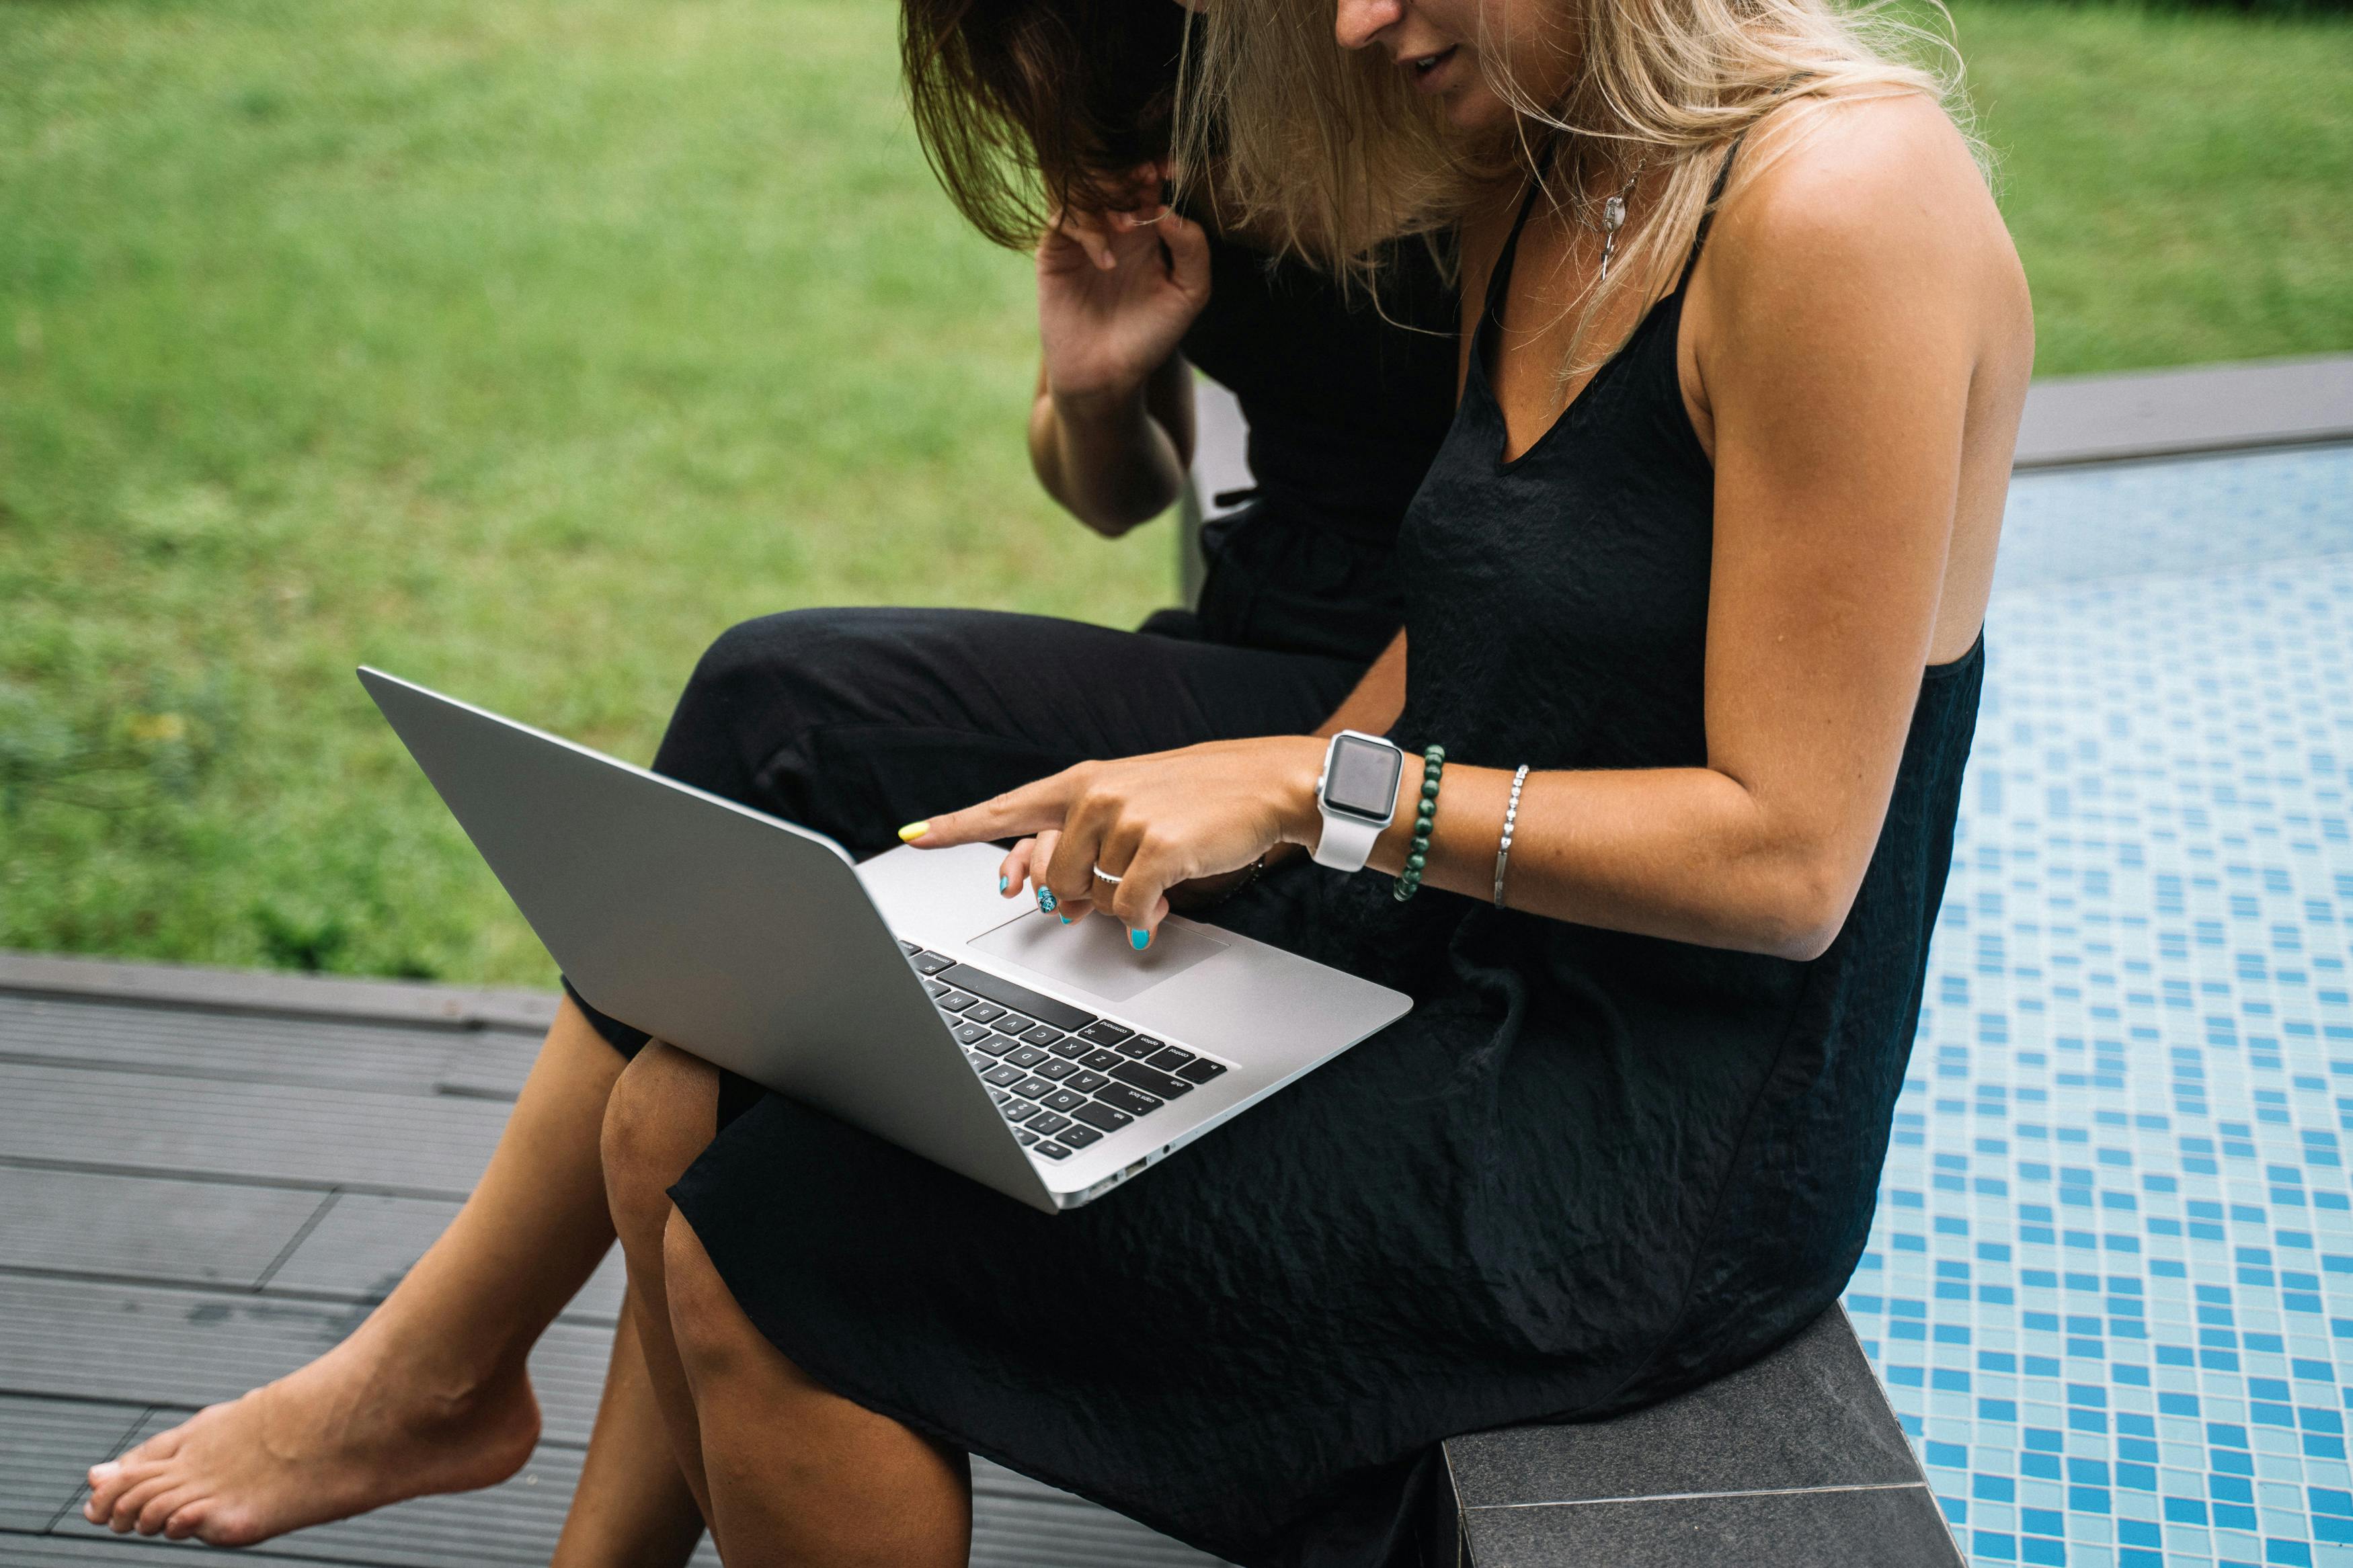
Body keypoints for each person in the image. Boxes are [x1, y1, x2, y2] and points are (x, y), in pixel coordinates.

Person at [585, 0, 2032, 1559]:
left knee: (784, 1242)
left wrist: (1311, 794)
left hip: (1642, 1127)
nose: (1352, 21)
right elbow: (1471, 603)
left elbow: (1789, 865)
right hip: (1435, 956)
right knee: (677, 1106)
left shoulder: (1844, 204)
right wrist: (1217, 825)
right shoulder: (1538, 168)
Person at [77, 0, 1458, 1555]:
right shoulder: (1139, 87)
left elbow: (1521, 556)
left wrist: (1294, 791)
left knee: (782, 713)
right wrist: (1089, 385)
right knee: (687, 1084)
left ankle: (437, 1369)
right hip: (1251, 633)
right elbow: (1117, 495)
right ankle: (494, 1442)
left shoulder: (1411, 69)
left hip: (1396, 698)